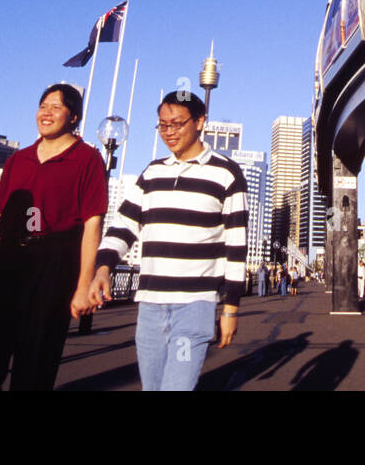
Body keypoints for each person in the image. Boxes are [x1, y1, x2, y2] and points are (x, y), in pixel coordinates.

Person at [0, 83, 107, 390]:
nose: (46, 113)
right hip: (6, 259)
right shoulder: (18, 159)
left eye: (56, 107)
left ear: (73, 117)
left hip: (54, 262)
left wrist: (82, 286)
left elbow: (93, 223)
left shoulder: (87, 159)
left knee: (35, 360)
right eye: (43, 106)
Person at [89, 91, 247, 391]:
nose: (169, 132)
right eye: (162, 125)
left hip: (195, 305)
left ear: (200, 122)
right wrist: (103, 268)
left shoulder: (226, 173)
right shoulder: (152, 173)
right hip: (149, 303)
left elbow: (236, 246)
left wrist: (231, 309)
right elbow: (123, 226)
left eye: (177, 124)